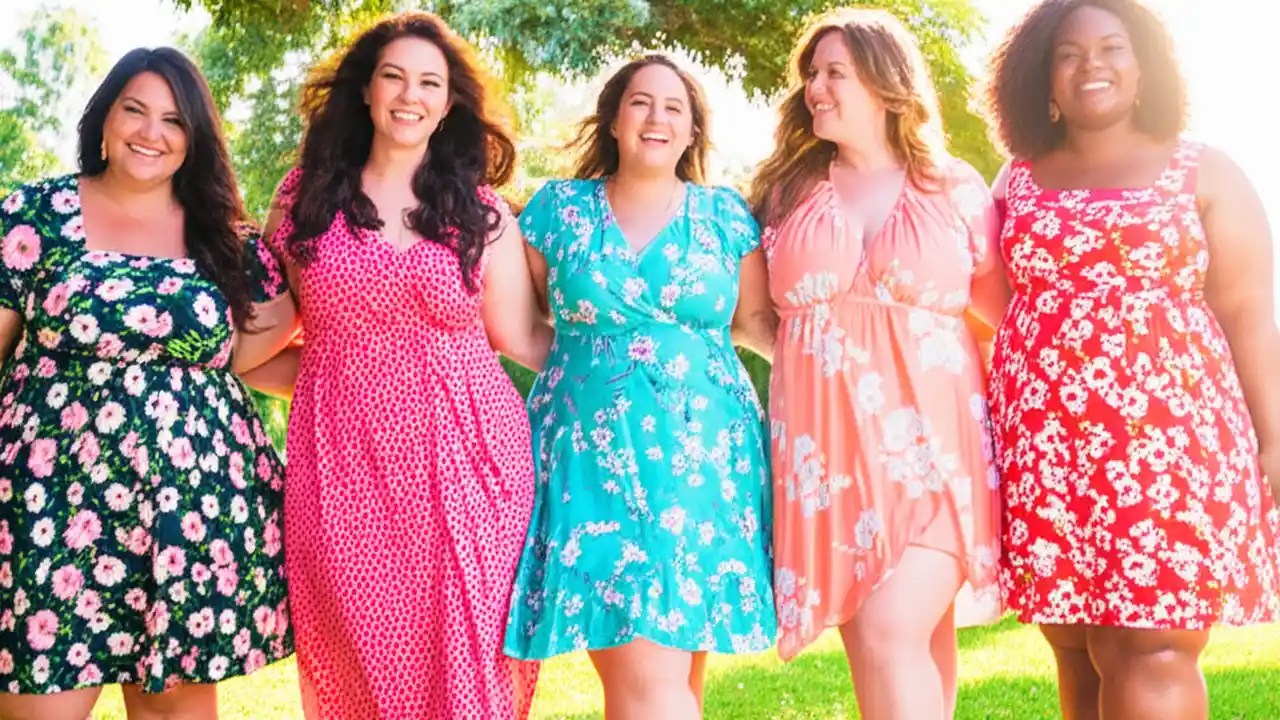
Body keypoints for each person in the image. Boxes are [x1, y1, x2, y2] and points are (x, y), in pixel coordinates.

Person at [243, 11, 547, 720]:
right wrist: (330, 383)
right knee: (364, 665)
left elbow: (524, 339)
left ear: (448, 104)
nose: (410, 95)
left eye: (429, 83)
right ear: (366, 92)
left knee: (471, 667)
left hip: (475, 472)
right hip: (343, 477)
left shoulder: (482, 213)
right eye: (395, 77)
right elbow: (252, 350)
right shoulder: (303, 201)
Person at [986, 1, 1280, 719]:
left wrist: (1274, 439)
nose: (1092, 65)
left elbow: (1249, 313)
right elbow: (990, 311)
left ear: (1146, 68)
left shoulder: (1205, 171)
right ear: (1041, 81)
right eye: (1069, 53)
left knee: (1150, 645)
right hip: (1047, 448)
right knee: (1078, 645)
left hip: (1167, 443)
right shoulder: (1013, 183)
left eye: (1113, 48)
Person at [0, 47, 293, 720]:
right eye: (134, 110)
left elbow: (260, 347)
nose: (150, 132)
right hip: (49, 507)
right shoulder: (34, 216)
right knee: (37, 711)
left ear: (194, 140)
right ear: (104, 121)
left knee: (172, 713)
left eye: (173, 119)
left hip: (189, 513)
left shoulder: (230, 243)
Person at [747, 8, 1006, 719]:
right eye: (811, 75)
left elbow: (1003, 315)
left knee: (892, 632)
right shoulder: (787, 194)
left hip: (935, 453)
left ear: (887, 83)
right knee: (885, 646)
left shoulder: (953, 188)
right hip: (827, 460)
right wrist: (825, 361)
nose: (815, 89)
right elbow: (754, 318)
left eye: (835, 72)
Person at [502, 54, 777, 720]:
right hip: (595, 465)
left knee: (675, 682)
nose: (656, 118)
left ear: (692, 133)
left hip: (709, 466)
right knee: (648, 682)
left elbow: (758, 326)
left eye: (673, 107)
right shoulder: (557, 212)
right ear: (614, 120)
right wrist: (591, 374)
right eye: (640, 103)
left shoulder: (726, 217)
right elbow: (523, 327)